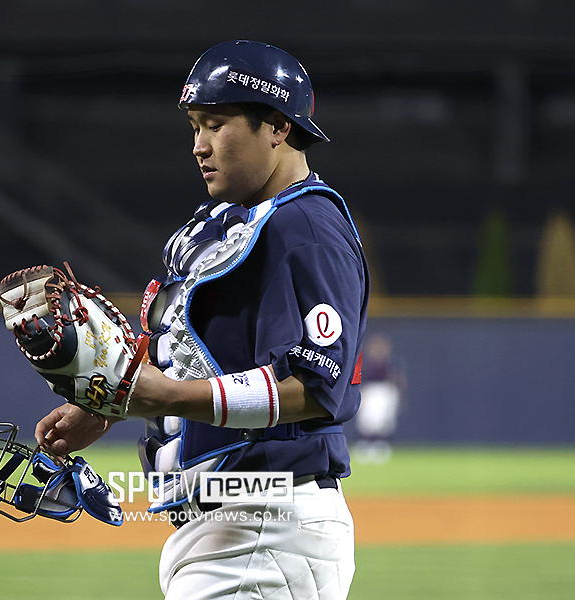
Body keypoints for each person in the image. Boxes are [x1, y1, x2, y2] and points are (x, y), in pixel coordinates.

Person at [35, 40, 369, 599]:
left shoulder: (306, 225)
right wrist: (112, 404)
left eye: (216, 123)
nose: (199, 145)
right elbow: (197, 356)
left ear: (278, 127)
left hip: (267, 520)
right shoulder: (225, 225)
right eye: (194, 126)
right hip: (230, 525)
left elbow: (317, 387)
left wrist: (165, 397)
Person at [351, 333, 405, 464]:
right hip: (369, 390)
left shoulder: (390, 363)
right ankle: (364, 445)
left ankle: (380, 445)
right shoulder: (366, 362)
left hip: (383, 390)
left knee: (382, 421)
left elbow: (397, 379)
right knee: (367, 421)